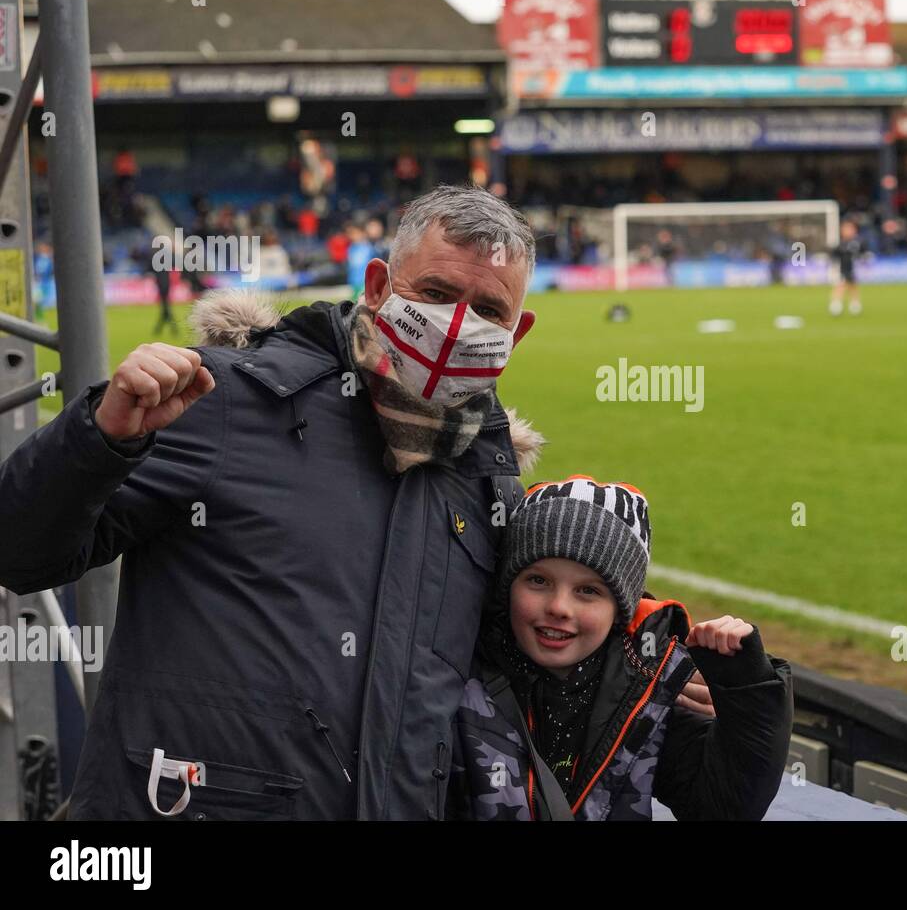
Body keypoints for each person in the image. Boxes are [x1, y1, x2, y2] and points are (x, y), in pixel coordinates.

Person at [0, 185, 556, 820]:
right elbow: (19, 551)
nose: (459, 324)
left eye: (489, 310)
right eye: (434, 294)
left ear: (519, 332)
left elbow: (504, 679)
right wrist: (99, 437)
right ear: (378, 286)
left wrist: (663, 676)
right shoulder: (222, 397)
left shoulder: (485, 475)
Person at [446, 476, 793, 821]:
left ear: (620, 610)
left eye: (588, 591)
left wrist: (747, 688)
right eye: (539, 580)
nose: (559, 607)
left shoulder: (647, 694)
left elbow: (725, 808)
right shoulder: (453, 678)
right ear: (507, 587)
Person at [829, 218, 866, 316]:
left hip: (853, 268)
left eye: (850, 229)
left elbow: (863, 254)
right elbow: (834, 256)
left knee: (853, 285)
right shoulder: (840, 244)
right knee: (840, 285)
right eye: (845, 229)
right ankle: (836, 304)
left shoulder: (858, 243)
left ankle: (855, 303)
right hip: (841, 268)